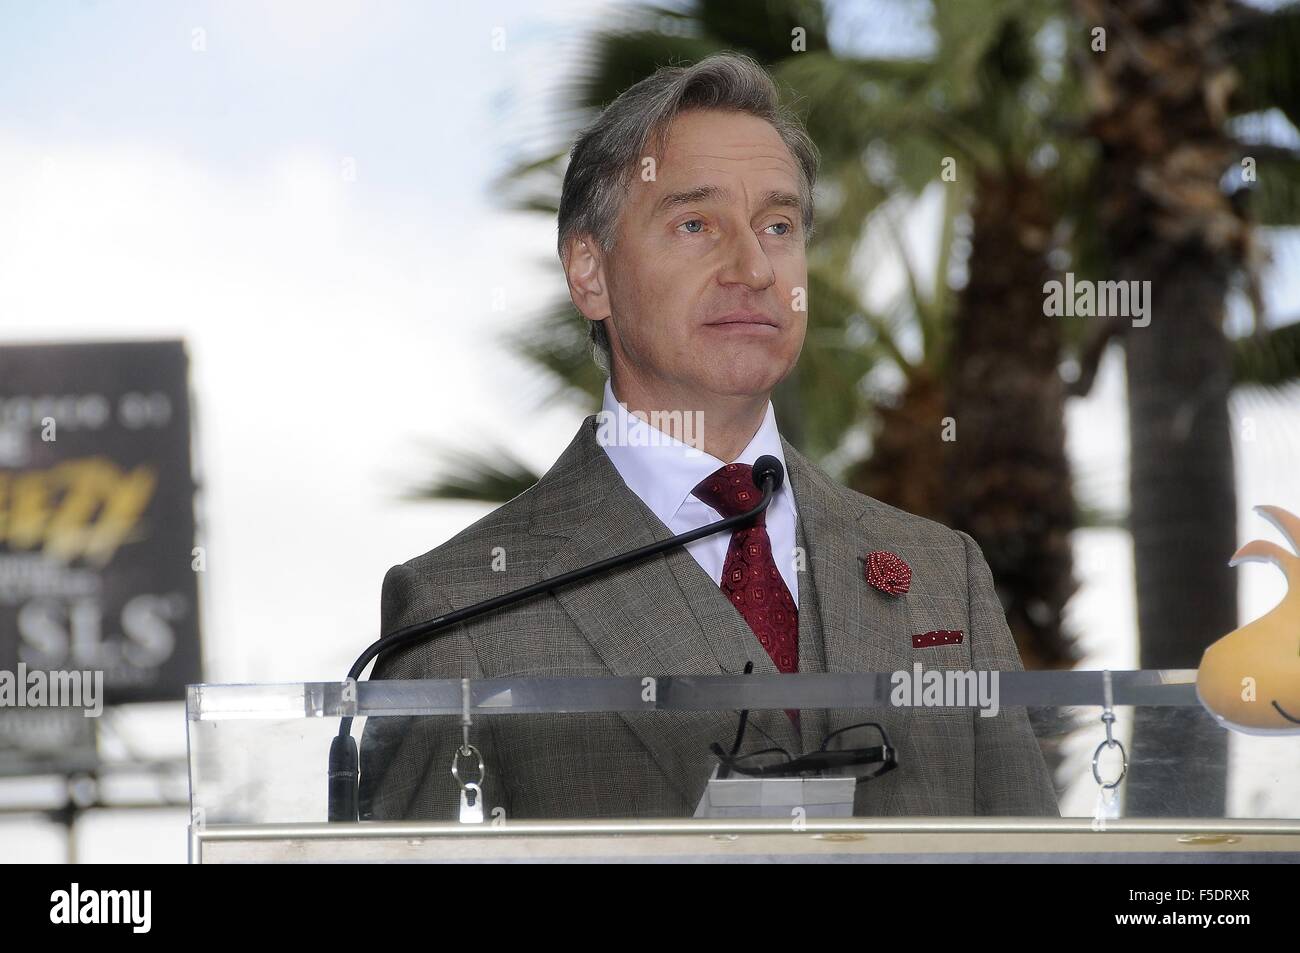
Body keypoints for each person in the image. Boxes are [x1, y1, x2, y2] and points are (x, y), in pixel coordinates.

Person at [359, 52, 1059, 821]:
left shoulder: (940, 572)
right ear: (589, 272)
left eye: (779, 225)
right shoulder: (463, 609)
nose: (755, 266)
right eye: (697, 224)